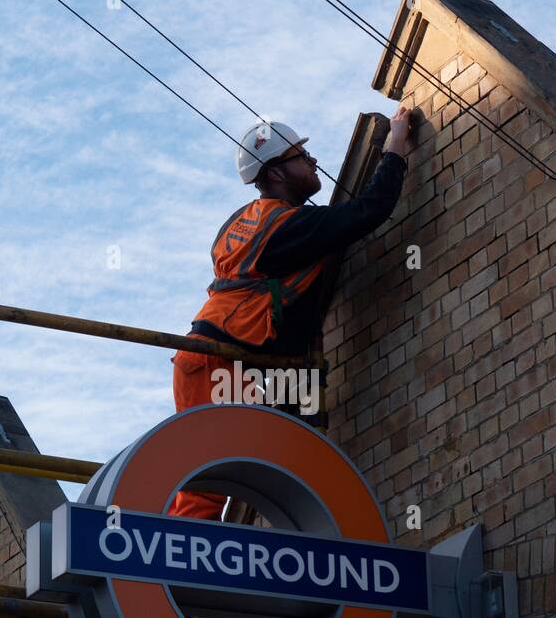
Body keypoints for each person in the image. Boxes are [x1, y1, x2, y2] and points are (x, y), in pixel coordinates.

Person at [170, 108, 413, 519]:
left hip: (236, 357)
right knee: (207, 486)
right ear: (277, 172)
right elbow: (369, 211)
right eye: (301, 156)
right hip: (220, 361)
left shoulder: (249, 221)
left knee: (279, 461)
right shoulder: (285, 227)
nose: (313, 160)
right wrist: (397, 147)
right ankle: (182, 559)